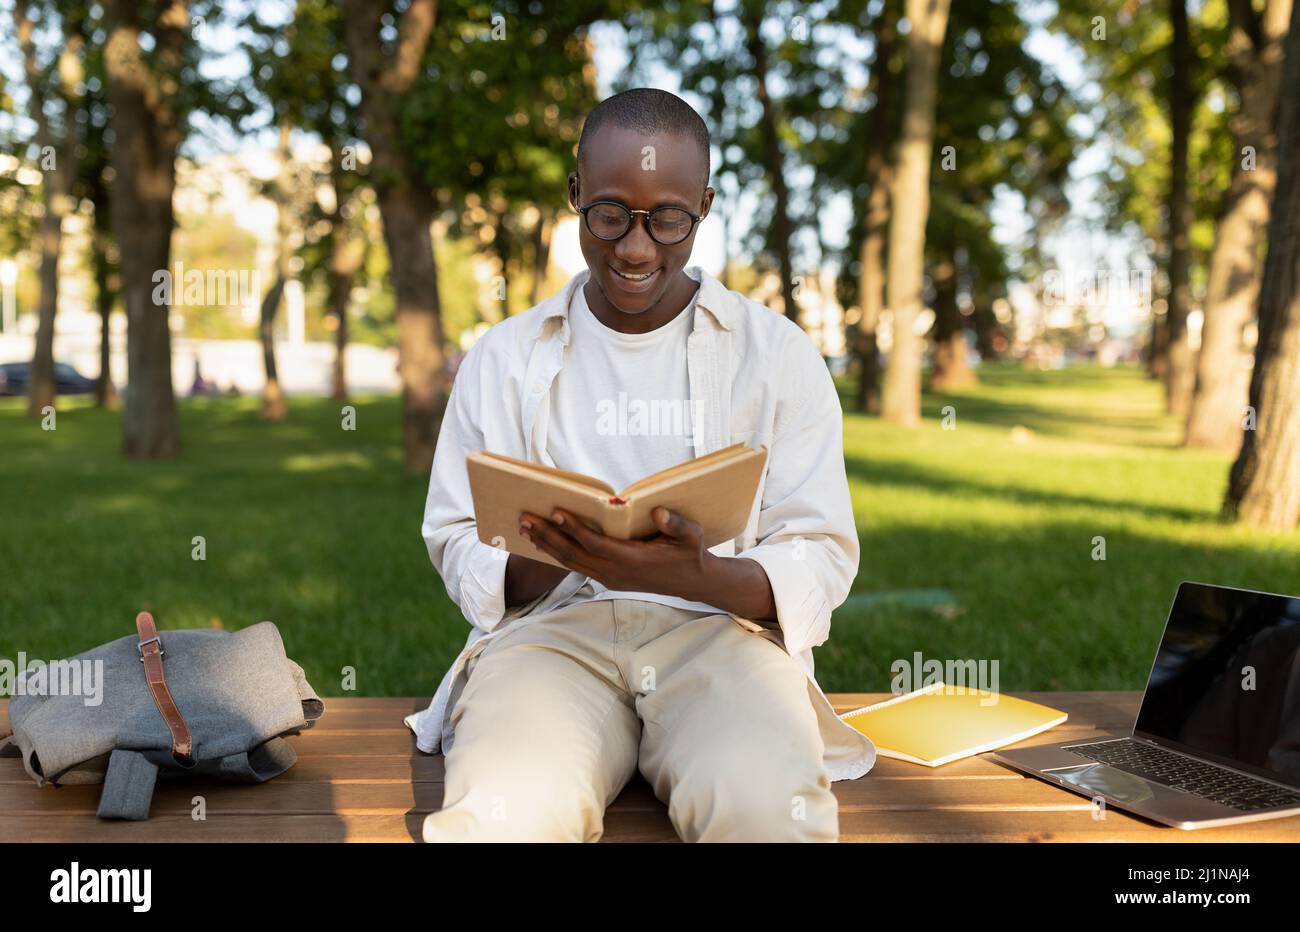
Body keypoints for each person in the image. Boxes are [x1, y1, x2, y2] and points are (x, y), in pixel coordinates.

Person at [405, 88, 874, 842]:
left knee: (765, 813)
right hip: (552, 639)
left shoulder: (777, 355)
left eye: (668, 219)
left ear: (706, 207)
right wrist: (554, 555)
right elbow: (456, 534)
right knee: (505, 817)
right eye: (611, 213)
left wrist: (692, 577)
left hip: (720, 640)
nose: (635, 247)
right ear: (575, 196)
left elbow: (819, 553)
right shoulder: (504, 356)